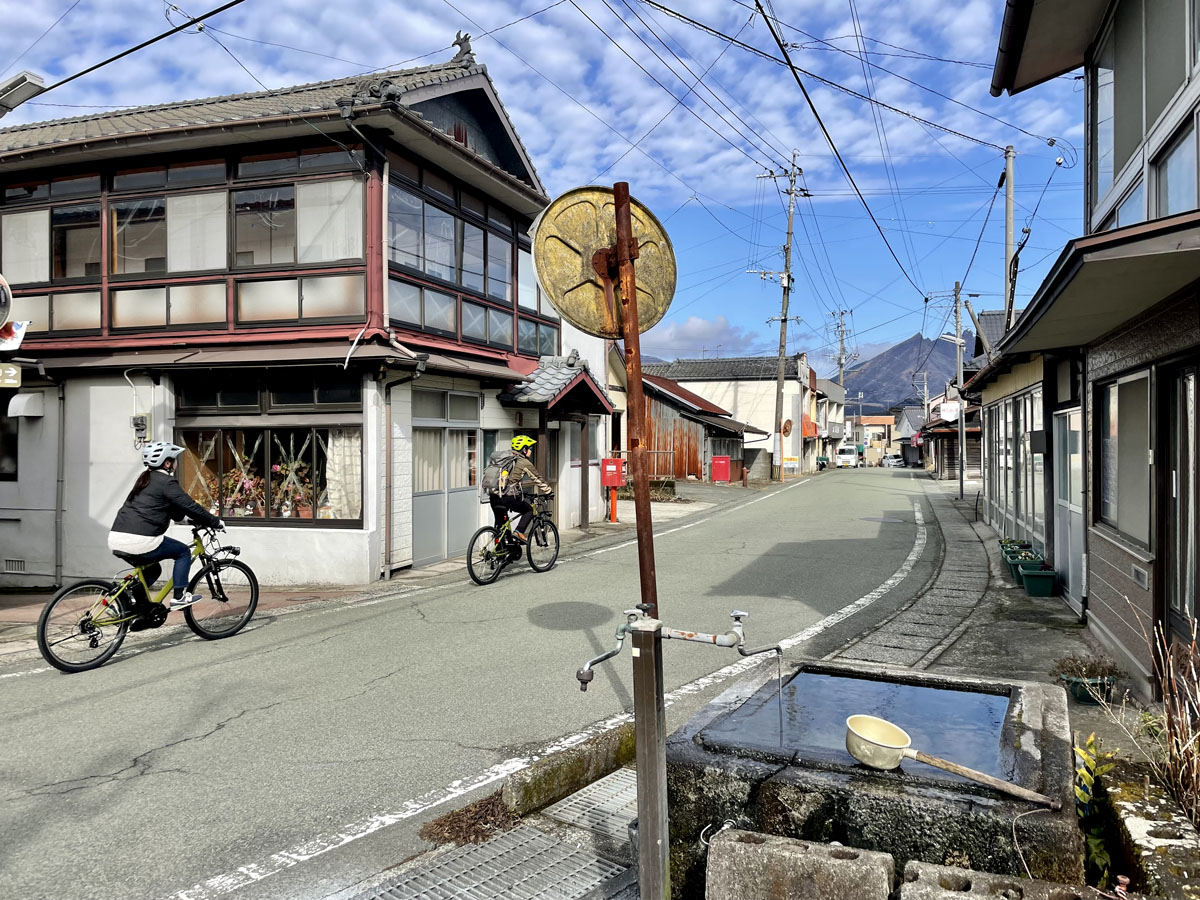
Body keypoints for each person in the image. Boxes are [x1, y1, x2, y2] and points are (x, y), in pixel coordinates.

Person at [108, 441, 223, 610]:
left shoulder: (145, 479)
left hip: (117, 537)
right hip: (140, 540)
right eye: (175, 459)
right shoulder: (167, 482)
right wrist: (215, 522)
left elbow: (174, 511)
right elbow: (190, 506)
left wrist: (186, 519)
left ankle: (120, 604)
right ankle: (179, 597)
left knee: (153, 570)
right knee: (183, 552)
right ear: (167, 463)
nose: (177, 463)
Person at [489, 435, 552, 543]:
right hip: (507, 498)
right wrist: (549, 491)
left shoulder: (505, 459)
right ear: (524, 449)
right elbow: (537, 478)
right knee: (529, 510)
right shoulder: (523, 462)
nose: (531, 451)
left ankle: (501, 552)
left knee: (501, 525)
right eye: (530, 448)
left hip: (494, 496)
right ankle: (519, 531)